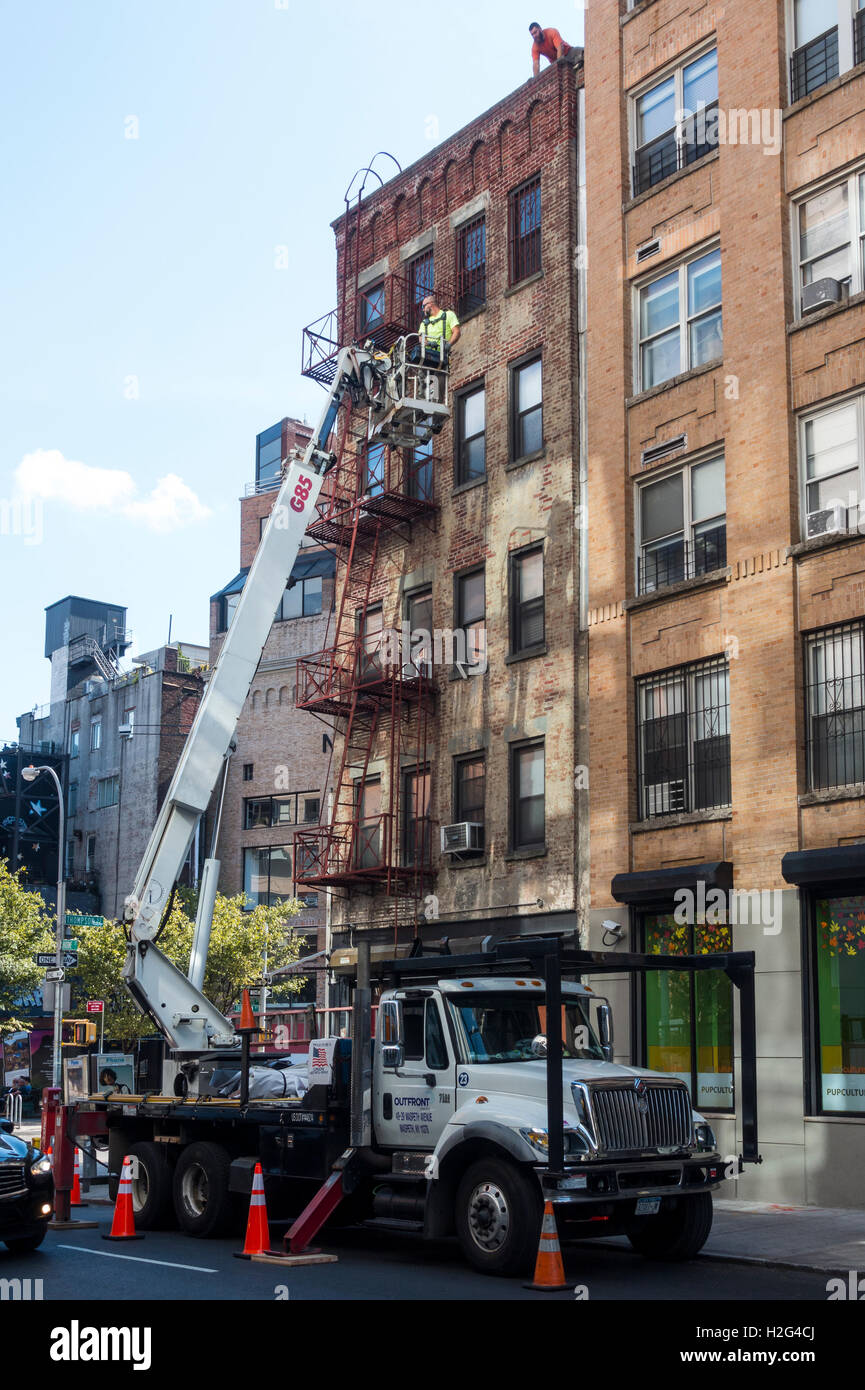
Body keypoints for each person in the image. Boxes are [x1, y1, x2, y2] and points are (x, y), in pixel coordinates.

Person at [413, 294, 460, 368]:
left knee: (439, 378)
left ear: (430, 304)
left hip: (442, 357)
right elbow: (421, 339)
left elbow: (456, 332)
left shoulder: (448, 315)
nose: (423, 309)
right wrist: (429, 343)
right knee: (423, 377)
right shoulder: (424, 323)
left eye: (423, 306)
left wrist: (448, 344)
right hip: (428, 357)